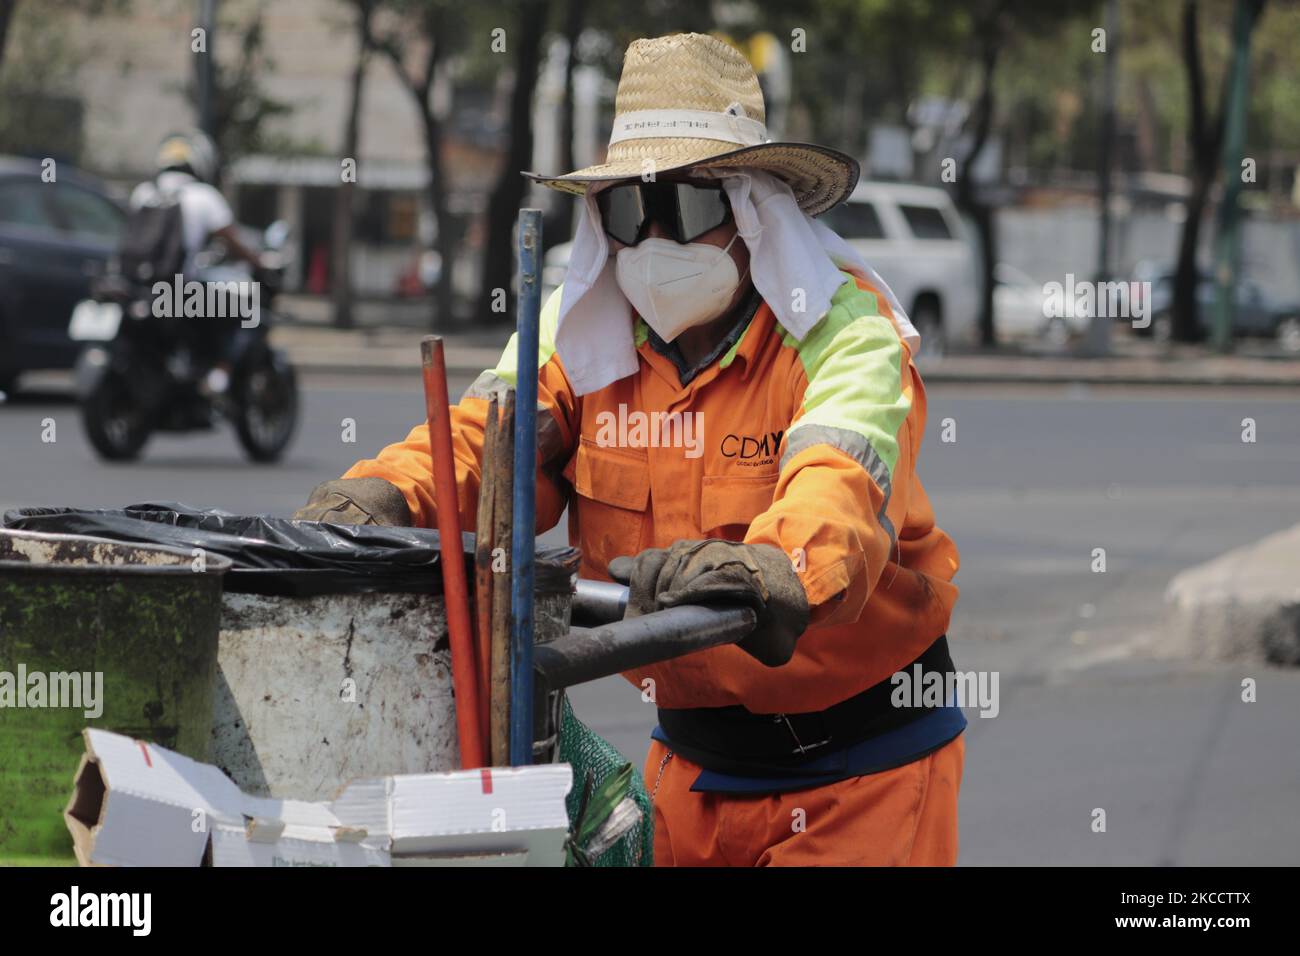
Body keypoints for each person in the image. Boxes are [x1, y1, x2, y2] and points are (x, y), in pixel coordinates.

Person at [294, 32, 965, 867]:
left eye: (681, 207)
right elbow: (480, 446)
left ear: (750, 206)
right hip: (692, 773)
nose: (648, 239)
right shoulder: (576, 335)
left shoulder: (845, 336)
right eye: (624, 209)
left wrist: (773, 568)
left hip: (860, 777)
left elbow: (838, 489)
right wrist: (385, 498)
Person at [128, 130, 264, 393]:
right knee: (243, 307)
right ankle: (218, 376)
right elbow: (232, 241)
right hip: (178, 292)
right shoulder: (203, 196)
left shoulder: (143, 192)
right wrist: (258, 261)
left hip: (139, 288)